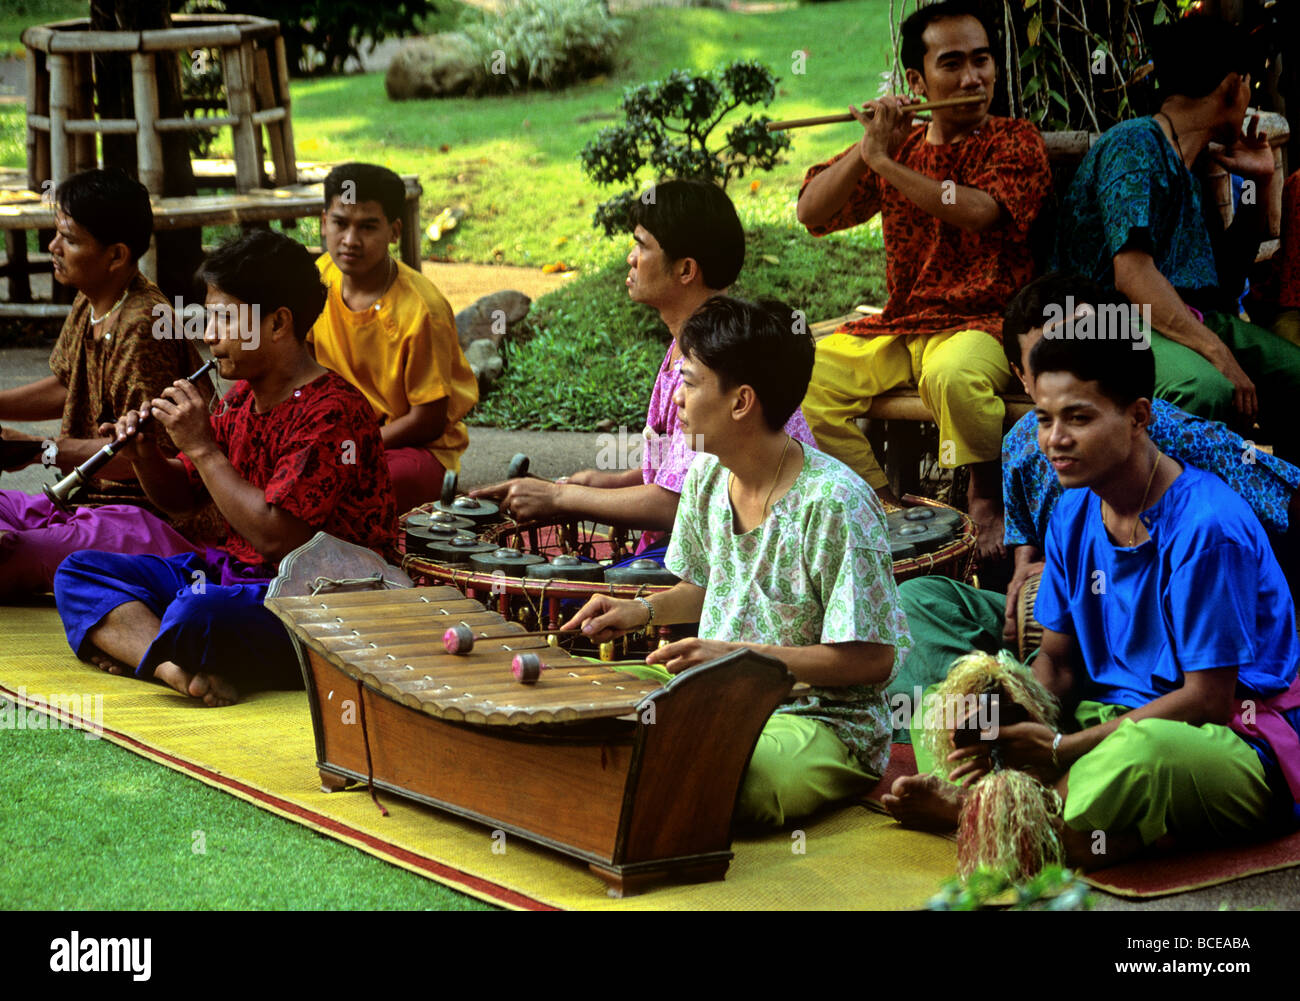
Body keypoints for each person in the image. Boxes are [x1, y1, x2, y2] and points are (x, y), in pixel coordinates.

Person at [884, 330, 1300, 866]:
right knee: (949, 705)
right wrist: (1008, 721)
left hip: (1229, 742)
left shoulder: (1207, 526)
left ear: (1138, 416)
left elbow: (1207, 703)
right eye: (1043, 418)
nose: (1055, 438)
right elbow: (1056, 662)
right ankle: (1059, 824)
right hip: (1104, 716)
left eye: (1078, 418)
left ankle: (1009, 816)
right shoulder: (1074, 512)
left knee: (1140, 753)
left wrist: (1059, 749)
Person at [561, 296, 911, 826]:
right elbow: (710, 588)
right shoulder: (705, 474)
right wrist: (639, 610)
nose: (676, 398)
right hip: (716, 693)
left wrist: (737, 655)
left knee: (733, 778)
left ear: (741, 401)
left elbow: (871, 660)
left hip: (819, 719)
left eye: (690, 382)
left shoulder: (836, 503)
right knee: (578, 703)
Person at [896, 272, 1300, 695]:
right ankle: (962, 722)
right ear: (1023, 375)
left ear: (1137, 417)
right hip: (1066, 626)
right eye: (1047, 359)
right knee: (922, 602)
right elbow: (1029, 557)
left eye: (1081, 345)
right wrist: (1030, 586)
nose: (1066, 364)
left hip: (1166, 644)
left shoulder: (1185, 453)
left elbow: (1273, 508)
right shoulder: (1026, 451)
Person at [53, 231, 396, 707]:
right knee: (78, 571)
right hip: (234, 578)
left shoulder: (332, 412)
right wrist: (147, 456)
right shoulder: (241, 401)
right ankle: (174, 669)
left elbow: (277, 537)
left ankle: (145, 646)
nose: (209, 334)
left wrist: (202, 447)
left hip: (316, 599)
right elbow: (182, 498)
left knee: (196, 613)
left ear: (278, 324)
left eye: (225, 318)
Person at [796, 0, 1050, 558]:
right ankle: (884, 503)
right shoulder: (901, 145)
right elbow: (811, 212)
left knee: (955, 378)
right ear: (917, 79)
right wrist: (869, 151)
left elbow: (980, 211)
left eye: (982, 61)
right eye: (952, 63)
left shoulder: (1014, 140)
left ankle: (985, 496)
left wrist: (884, 163)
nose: (972, 78)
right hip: (902, 325)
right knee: (799, 379)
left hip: (983, 324)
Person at [470, 179, 816, 557]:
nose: (631, 258)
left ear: (686, 270)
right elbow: (684, 470)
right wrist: (602, 482)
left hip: (743, 555)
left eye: (641, 245)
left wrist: (561, 496)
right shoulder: (692, 341)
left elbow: (674, 504)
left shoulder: (719, 355)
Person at [1054, 16, 1300, 463]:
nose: (1250, 98)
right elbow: (1132, 274)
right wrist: (1219, 355)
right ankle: (1166, 515)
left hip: (1182, 318)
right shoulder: (1133, 145)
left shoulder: (1186, 169)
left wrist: (1261, 186)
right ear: (1232, 86)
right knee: (1204, 387)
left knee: (1295, 373)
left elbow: (1222, 287)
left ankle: (1283, 512)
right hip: (1101, 323)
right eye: (1249, 85)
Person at [0, 168, 215, 599]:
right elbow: (70, 385)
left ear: (116, 256)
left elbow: (144, 457)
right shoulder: (96, 297)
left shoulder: (143, 326)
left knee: (6, 557)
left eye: (70, 240)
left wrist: (34, 449)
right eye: (57, 234)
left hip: (145, 519)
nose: (53, 248)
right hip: (84, 503)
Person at [309, 162, 478, 514]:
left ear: (394, 231)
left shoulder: (422, 309)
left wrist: (352, 444)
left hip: (414, 450)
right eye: (340, 223)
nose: (350, 241)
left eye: (368, 227)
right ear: (324, 222)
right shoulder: (314, 282)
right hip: (336, 437)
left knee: (353, 486)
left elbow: (427, 420)